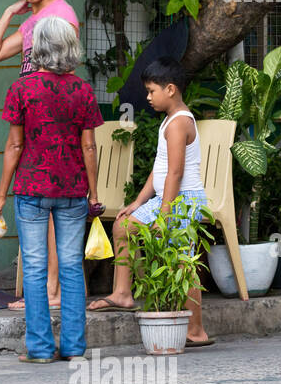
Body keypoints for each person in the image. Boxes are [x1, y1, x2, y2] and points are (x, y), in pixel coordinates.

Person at [0, 17, 102, 363]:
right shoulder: (82, 90)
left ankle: (39, 349)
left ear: (36, 47)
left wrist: (0, 195)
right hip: (72, 190)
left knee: (36, 269)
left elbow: (14, 146)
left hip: (31, 188)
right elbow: (89, 147)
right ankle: (73, 348)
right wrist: (94, 193)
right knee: (70, 267)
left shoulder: (21, 89)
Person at [0, 0, 81, 312]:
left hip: (51, 116)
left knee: (51, 206)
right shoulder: (30, 19)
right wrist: (9, 12)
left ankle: (52, 291)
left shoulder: (62, 15)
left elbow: (65, 69)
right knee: (39, 202)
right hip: (32, 110)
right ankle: (45, 292)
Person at [86, 58, 213, 347]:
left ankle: (196, 330)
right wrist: (138, 202)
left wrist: (165, 213)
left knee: (182, 263)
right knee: (123, 226)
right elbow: (160, 166)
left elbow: (176, 172)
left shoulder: (180, 122)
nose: (147, 97)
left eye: (151, 91)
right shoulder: (170, 119)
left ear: (170, 89)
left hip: (182, 201)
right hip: (166, 197)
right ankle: (122, 293)